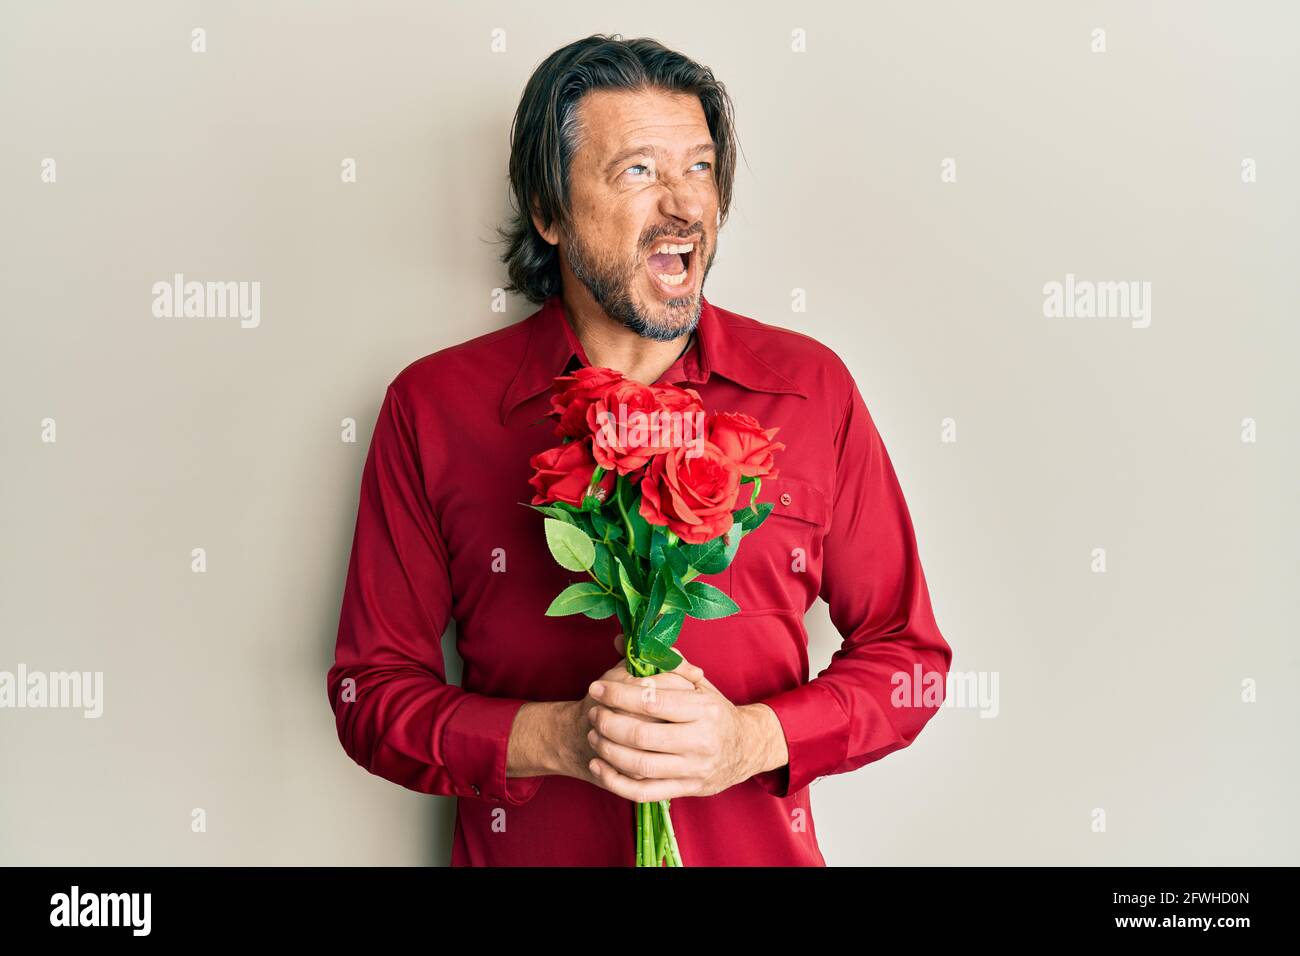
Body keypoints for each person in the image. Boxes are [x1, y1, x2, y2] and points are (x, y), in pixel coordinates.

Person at [326, 33, 952, 866]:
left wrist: (752, 739)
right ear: (548, 213)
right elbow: (370, 695)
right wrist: (555, 738)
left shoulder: (812, 391)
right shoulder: (434, 408)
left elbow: (910, 661)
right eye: (638, 171)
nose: (684, 205)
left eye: (699, 169)